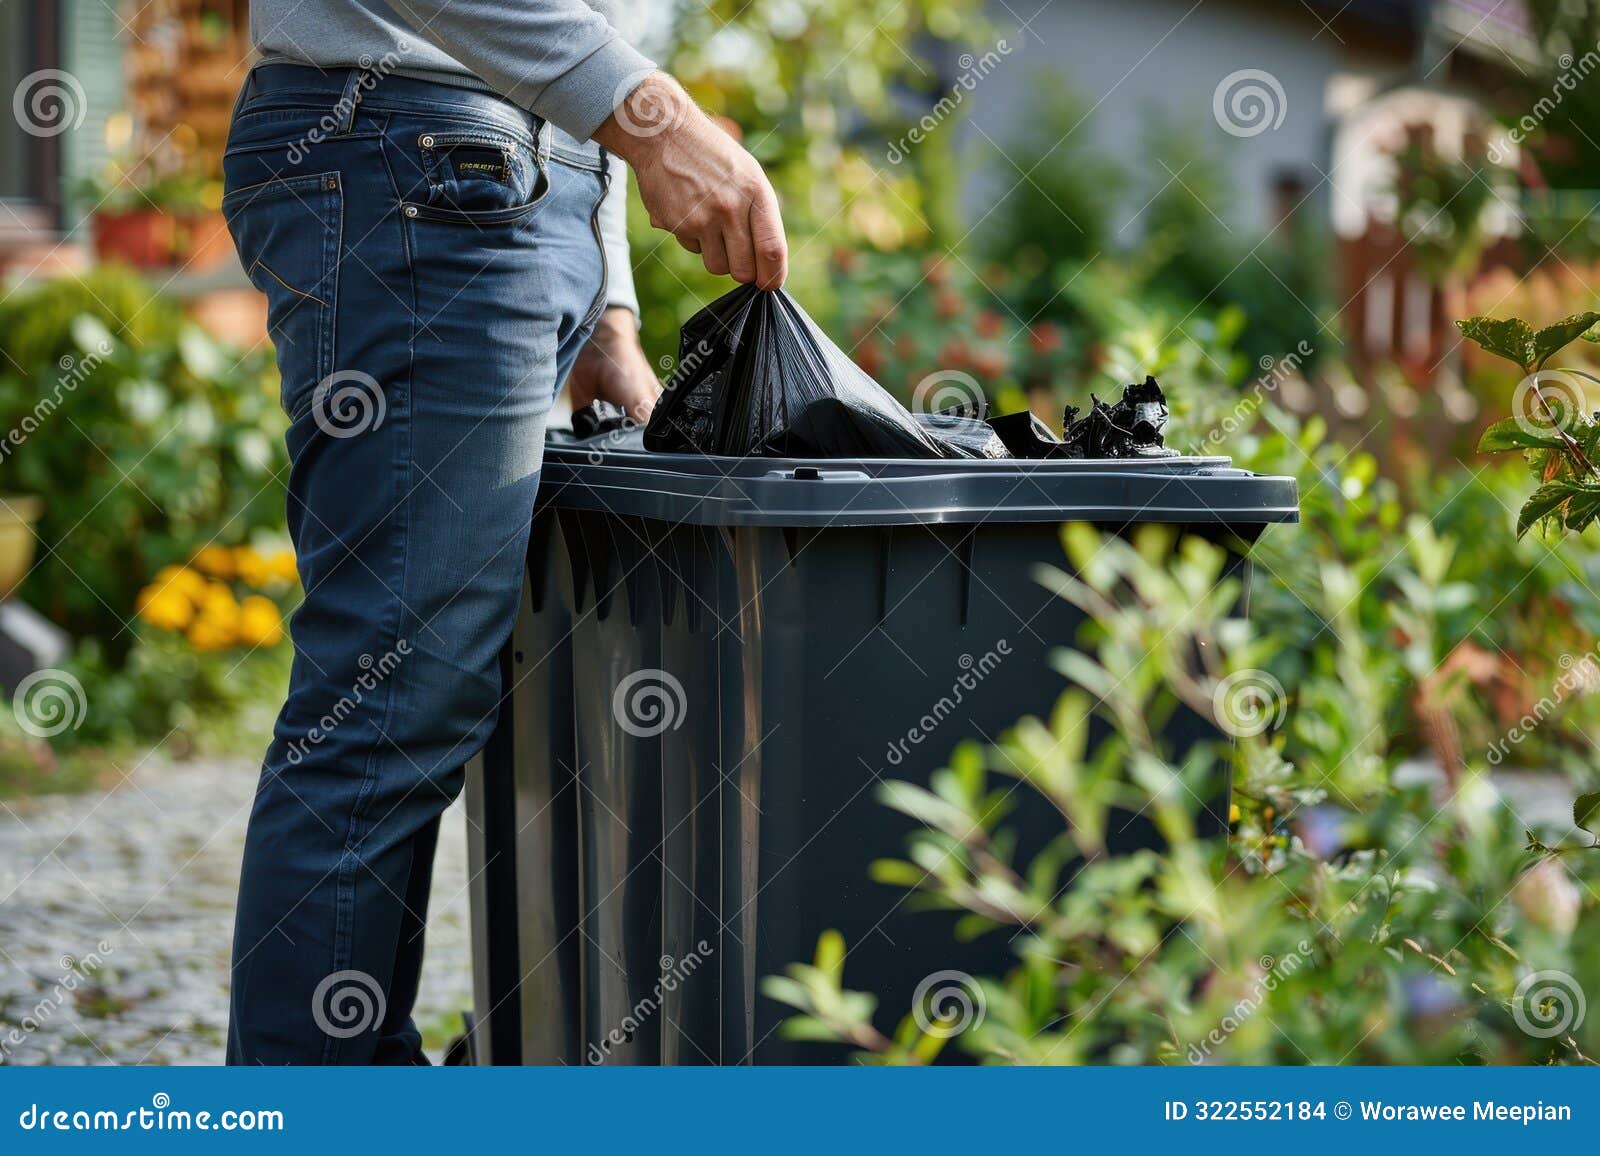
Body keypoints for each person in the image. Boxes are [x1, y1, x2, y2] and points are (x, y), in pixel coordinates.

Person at [222, 0, 787, 1063]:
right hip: (418, 161)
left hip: (502, 181)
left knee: (419, 689)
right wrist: (656, 123)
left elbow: (583, 25)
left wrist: (607, 314)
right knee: (391, 692)